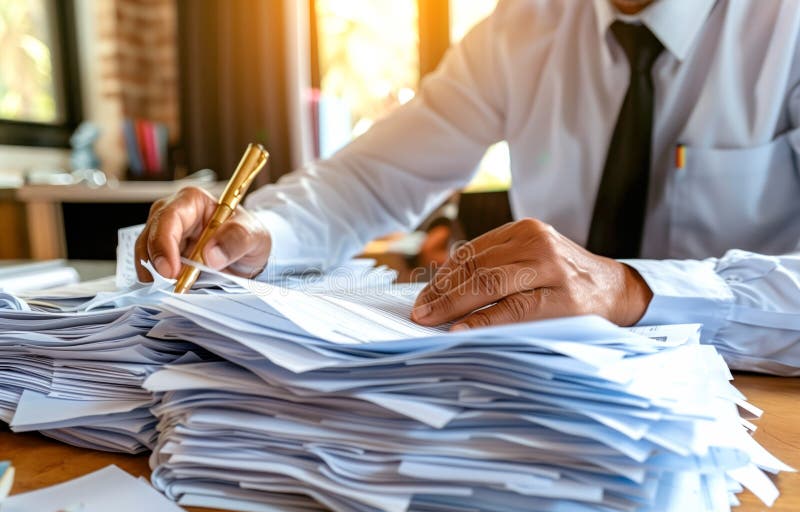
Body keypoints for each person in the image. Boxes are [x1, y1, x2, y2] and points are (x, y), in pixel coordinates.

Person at [135, 0, 800, 376]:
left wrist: (632, 290)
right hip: (544, 389)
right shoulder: (522, 29)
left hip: (745, 395)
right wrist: (261, 231)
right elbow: (373, 175)